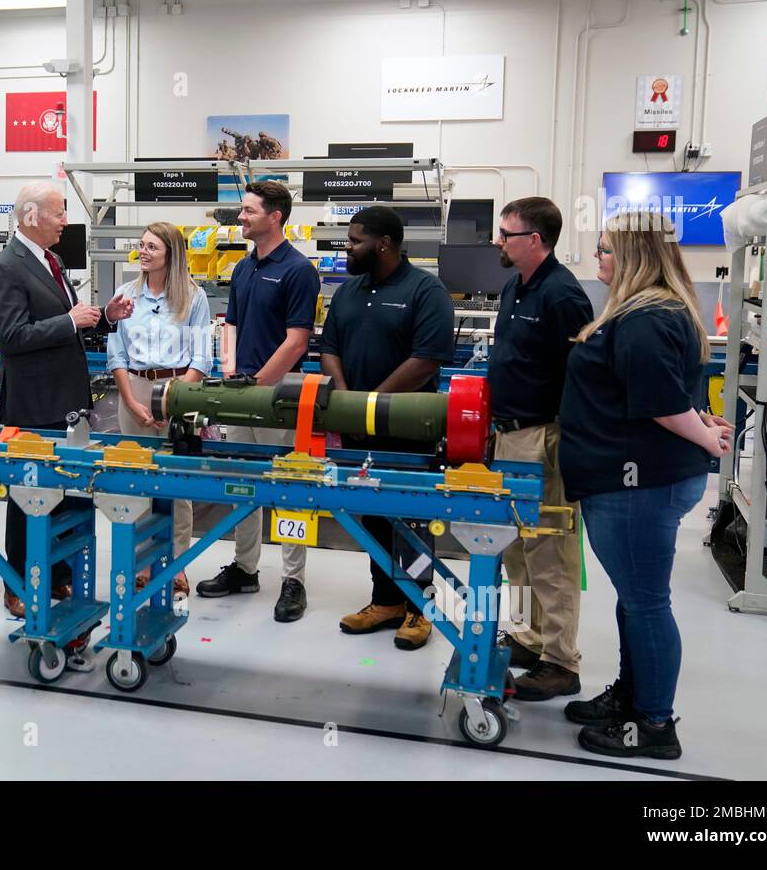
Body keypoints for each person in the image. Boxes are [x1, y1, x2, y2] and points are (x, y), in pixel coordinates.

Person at [559, 212, 731, 760]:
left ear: (633, 255)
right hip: (638, 476)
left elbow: (659, 403)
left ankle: (654, 724)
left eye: (606, 250)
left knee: (647, 602)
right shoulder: (652, 310)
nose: (598, 259)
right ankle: (631, 698)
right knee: (635, 600)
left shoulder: (645, 318)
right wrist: (702, 424)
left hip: (635, 482)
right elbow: (670, 392)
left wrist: (705, 439)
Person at [0, 181, 134, 617]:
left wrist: (101, 318)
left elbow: (65, 323)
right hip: (33, 403)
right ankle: (18, 584)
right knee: (27, 495)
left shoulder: (52, 260)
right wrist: (69, 321)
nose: (65, 221)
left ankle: (58, 576)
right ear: (30, 216)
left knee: (66, 492)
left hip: (67, 398)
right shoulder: (8, 266)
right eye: (58, 212)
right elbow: (13, 338)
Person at [323, 205, 455, 651]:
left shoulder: (426, 290)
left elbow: (427, 359)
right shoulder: (348, 291)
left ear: (383, 244)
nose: (348, 247)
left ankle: (420, 608)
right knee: (373, 513)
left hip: (408, 426)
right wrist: (347, 403)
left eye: (355, 240)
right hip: (358, 426)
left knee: (413, 516)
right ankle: (386, 601)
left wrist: (373, 405)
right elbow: (330, 347)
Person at [196, 180, 320, 622]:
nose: (241, 217)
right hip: (240, 387)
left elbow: (297, 340)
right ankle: (246, 568)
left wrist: (258, 383)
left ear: (275, 217)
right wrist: (229, 369)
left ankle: (293, 579)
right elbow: (229, 324)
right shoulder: (244, 268)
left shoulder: (299, 270)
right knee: (240, 481)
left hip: (277, 389)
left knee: (290, 484)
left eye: (248, 211)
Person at [486, 197, 594, 700]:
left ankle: (561, 661)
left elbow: (581, 378)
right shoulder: (515, 286)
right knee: (517, 551)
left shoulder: (562, 296)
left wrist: (566, 445)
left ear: (535, 241)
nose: (497, 241)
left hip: (544, 437)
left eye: (506, 234)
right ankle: (529, 638)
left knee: (550, 551)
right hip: (509, 435)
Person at [107, 221, 213, 596]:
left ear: (171, 253)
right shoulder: (124, 295)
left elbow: (203, 356)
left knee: (176, 486)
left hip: (178, 391)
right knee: (135, 482)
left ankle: (176, 565)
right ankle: (141, 562)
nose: (144, 252)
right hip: (132, 388)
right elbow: (115, 353)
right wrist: (132, 400)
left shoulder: (194, 298)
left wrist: (173, 399)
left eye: (152, 246)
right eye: (142, 245)